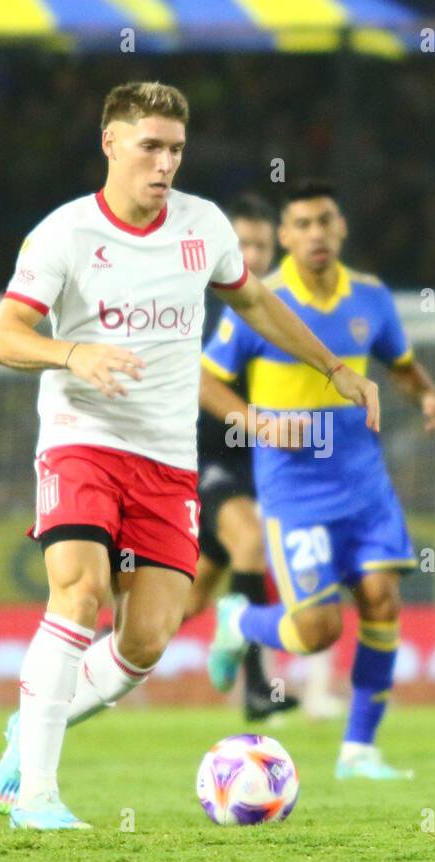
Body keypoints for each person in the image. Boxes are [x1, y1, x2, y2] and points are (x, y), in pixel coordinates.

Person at [0, 84, 380, 830]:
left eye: (175, 150)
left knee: (146, 641)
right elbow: (1, 337)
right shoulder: (62, 235)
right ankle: (36, 796)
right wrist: (74, 354)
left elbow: (257, 303)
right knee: (79, 592)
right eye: (149, 147)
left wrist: (335, 367)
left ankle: (34, 725)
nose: (164, 164)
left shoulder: (203, 226)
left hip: (166, 461)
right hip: (83, 440)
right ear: (110, 144)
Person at [201, 180, 435, 780]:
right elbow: (205, 380)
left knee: (382, 599)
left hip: (363, 482)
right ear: (285, 236)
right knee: (317, 630)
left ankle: (359, 751)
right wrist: (253, 420)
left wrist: (428, 398)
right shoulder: (259, 302)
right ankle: (238, 620)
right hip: (295, 490)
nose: (316, 234)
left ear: (340, 228)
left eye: (325, 221)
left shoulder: (371, 298)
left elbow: (401, 366)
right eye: (303, 224)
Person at [181, 192, 298, 722]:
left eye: (260, 244)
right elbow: (202, 385)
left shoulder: (278, 308)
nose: (249, 254)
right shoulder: (196, 303)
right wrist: (257, 422)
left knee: (183, 604)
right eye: (241, 242)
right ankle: (257, 689)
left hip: (264, 467)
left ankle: (93, 662)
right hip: (204, 459)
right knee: (250, 541)